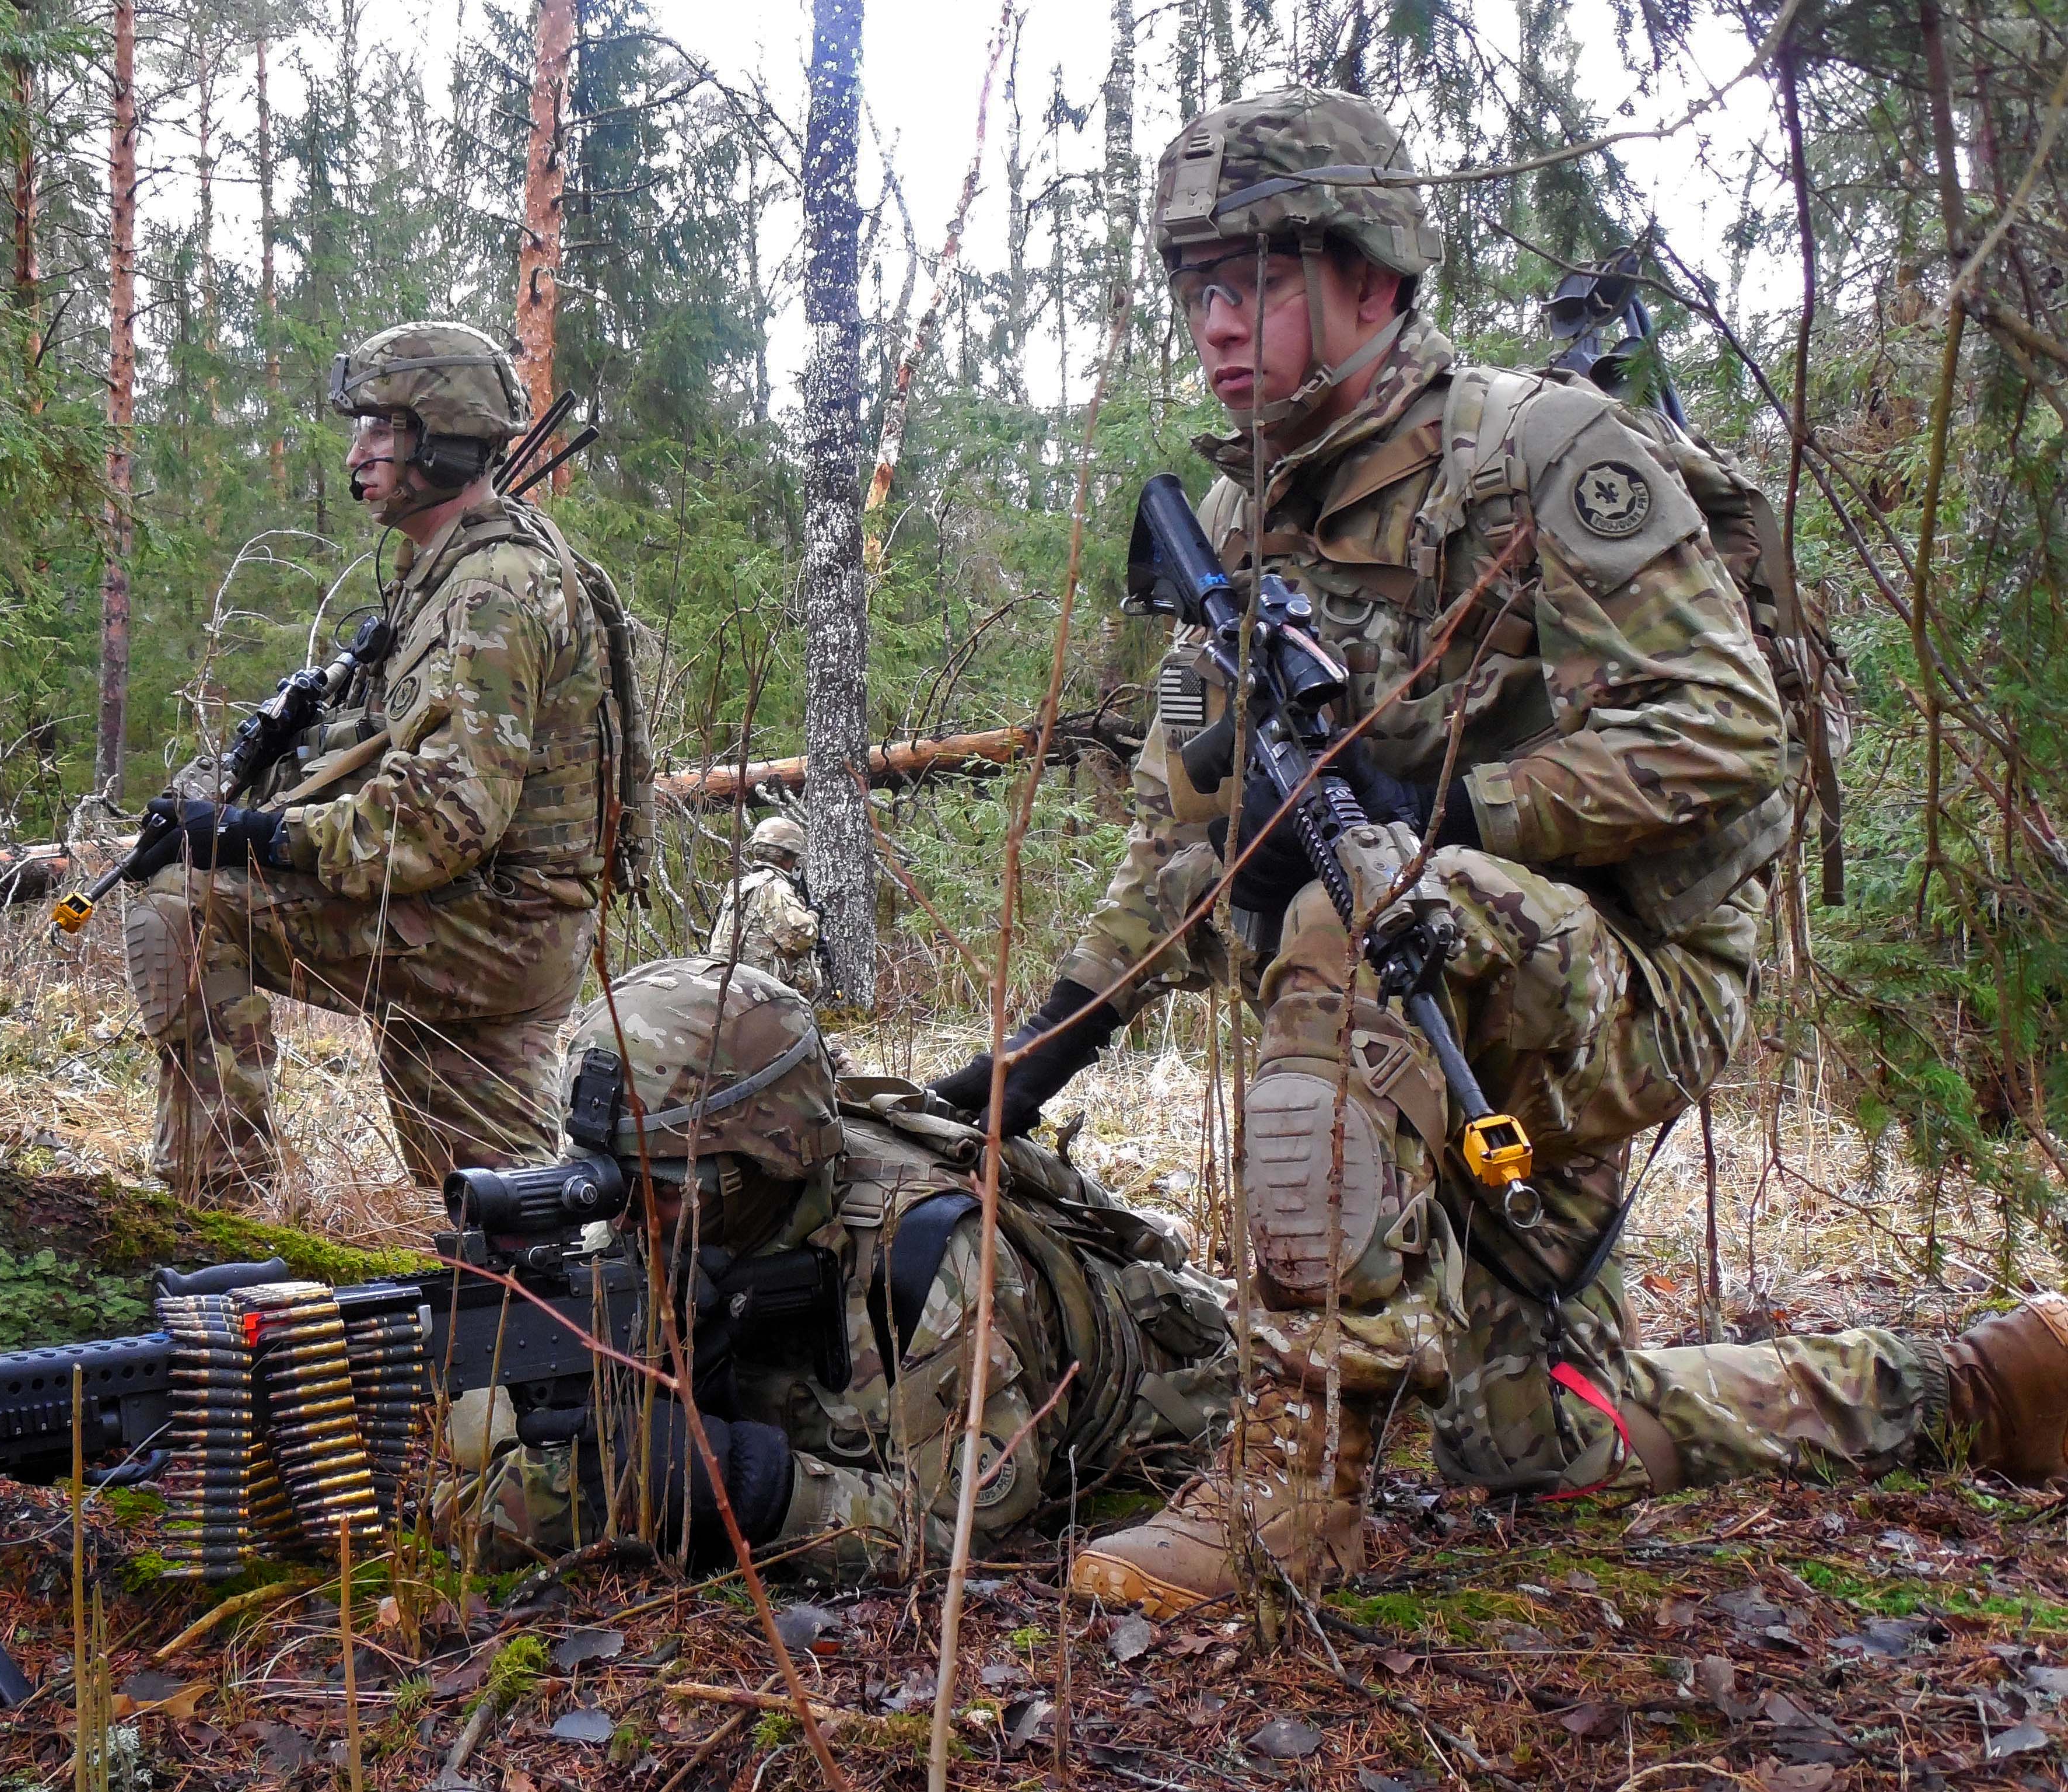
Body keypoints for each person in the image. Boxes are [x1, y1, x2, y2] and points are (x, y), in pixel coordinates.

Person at [920, 88, 2068, 1617]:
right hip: (1456, 990)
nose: (1216, 322)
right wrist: (1050, 1043)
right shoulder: (1230, 525)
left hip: (1624, 983)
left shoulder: (1549, 455)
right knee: (1518, 1437)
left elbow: (1726, 732)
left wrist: (1454, 814)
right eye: (1199, 285)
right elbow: (1176, 815)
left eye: (1258, 281)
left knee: (1357, 901)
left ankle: (1286, 1499)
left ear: (1378, 282)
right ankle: (1981, 1387)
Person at [452, 956, 1234, 1572]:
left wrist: (747, 1484)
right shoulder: (644, 1225)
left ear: (770, 1155)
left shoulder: (930, 1251)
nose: (621, 1216)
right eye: (605, 1180)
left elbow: (965, 1525)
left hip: (1178, 1381)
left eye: (658, 1186)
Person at [123, 320, 631, 1192]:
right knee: (497, 1223)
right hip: (515, 924)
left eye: (380, 430)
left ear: (442, 439)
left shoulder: (487, 594)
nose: (357, 453)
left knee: (184, 905)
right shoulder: (458, 567)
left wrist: (255, 837)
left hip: (489, 924)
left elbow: (444, 817)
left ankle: (217, 1211)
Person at [705, 816, 826, 999]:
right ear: (786, 855)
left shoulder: (738, 885)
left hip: (729, 985)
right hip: (761, 994)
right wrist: (814, 915)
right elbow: (801, 938)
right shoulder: (776, 887)